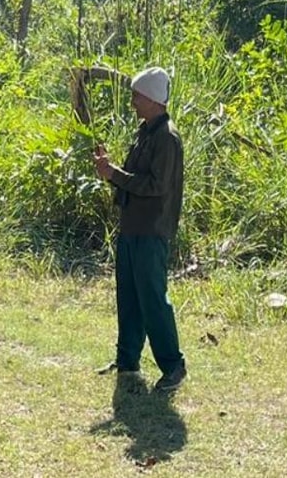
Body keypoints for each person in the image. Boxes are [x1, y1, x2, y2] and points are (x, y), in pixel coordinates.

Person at [92, 66, 187, 391]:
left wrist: (114, 174)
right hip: (132, 226)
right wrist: (110, 172)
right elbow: (133, 181)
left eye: (137, 95)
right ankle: (127, 360)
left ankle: (173, 365)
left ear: (152, 99)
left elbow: (156, 186)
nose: (132, 101)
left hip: (152, 229)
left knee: (152, 299)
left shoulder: (167, 138)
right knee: (129, 295)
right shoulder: (145, 133)